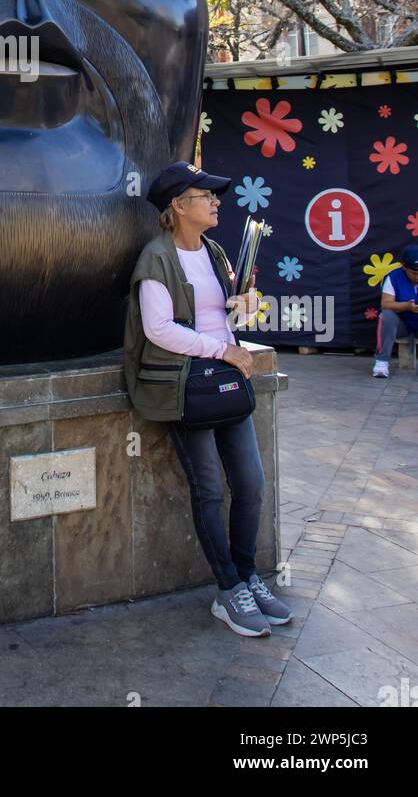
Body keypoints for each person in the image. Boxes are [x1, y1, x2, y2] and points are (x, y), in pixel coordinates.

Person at [124, 160, 293, 639]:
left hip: (225, 381)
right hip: (186, 385)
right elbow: (159, 329)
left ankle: (246, 577)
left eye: (215, 195)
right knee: (210, 489)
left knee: (252, 483)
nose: (216, 202)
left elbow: (232, 311)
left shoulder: (216, 252)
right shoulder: (156, 258)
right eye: (205, 195)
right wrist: (223, 349)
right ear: (178, 206)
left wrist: (248, 306)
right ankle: (228, 591)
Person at [374, 243, 418, 378]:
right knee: (385, 315)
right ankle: (381, 362)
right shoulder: (393, 277)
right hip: (402, 324)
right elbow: (386, 304)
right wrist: (407, 306)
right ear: (404, 267)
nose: (417, 277)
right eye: (414, 273)